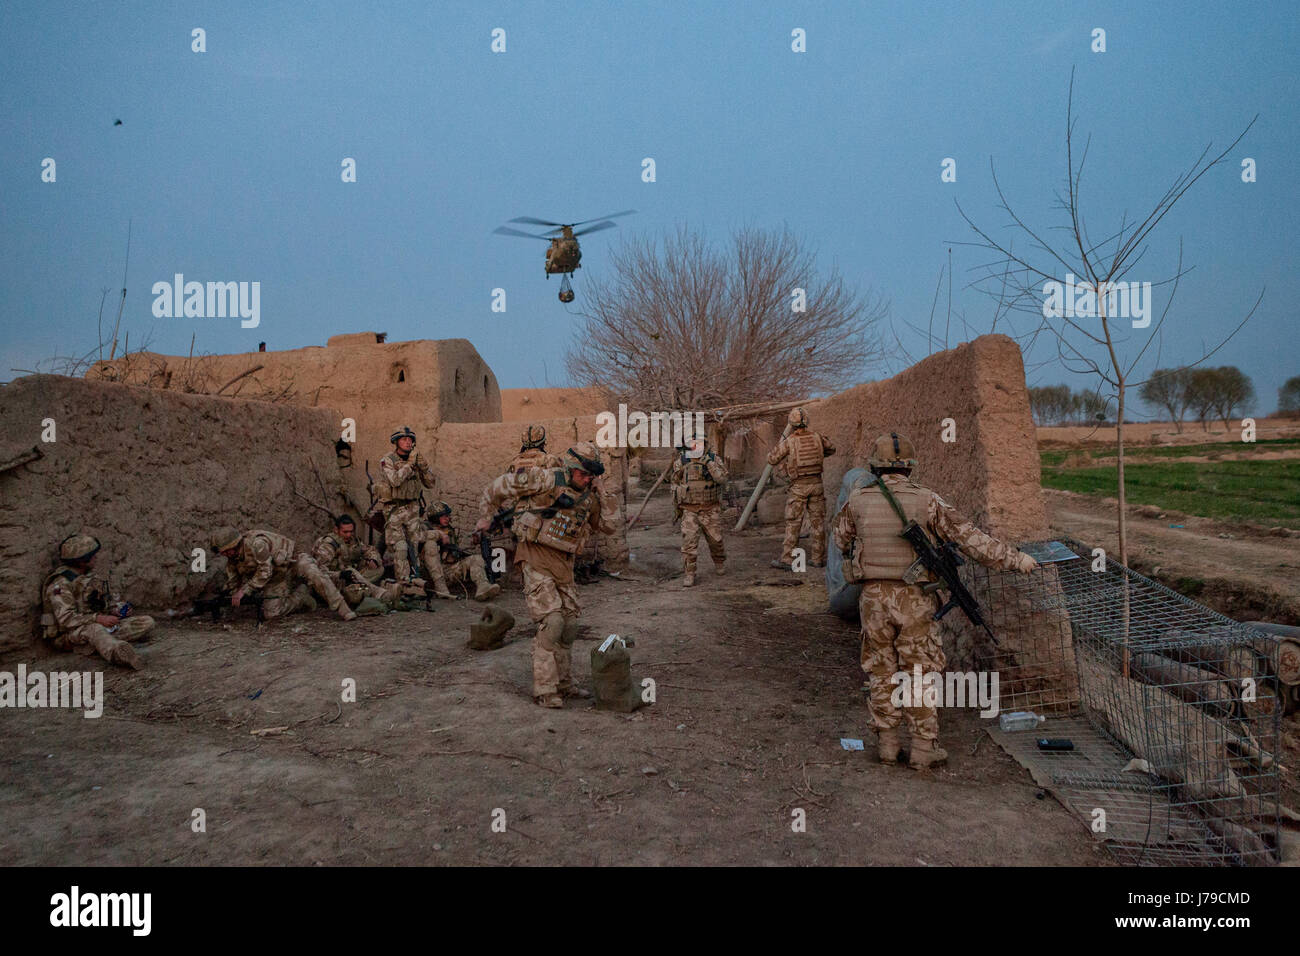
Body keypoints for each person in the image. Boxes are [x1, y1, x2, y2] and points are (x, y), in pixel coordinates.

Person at [832, 432, 1038, 769]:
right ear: (910, 467)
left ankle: (887, 744)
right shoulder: (927, 500)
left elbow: (840, 538)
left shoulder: (857, 499)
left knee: (881, 671)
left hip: (872, 599)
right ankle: (924, 751)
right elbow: (971, 540)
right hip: (914, 599)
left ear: (875, 466)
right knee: (918, 673)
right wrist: (1017, 560)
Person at [477, 441, 616, 708]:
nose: (586, 479)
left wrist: (603, 492)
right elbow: (495, 488)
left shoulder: (589, 495)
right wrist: (485, 516)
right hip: (535, 555)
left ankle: (565, 683)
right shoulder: (544, 479)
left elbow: (609, 526)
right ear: (572, 467)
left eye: (591, 476)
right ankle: (545, 688)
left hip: (564, 563)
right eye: (583, 474)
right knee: (552, 621)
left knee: (570, 624)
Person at [40, 533, 154, 669]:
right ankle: (119, 654)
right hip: (69, 635)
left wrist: (116, 610)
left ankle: (100, 644)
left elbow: (102, 603)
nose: (96, 558)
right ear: (82, 560)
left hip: (98, 628)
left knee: (146, 622)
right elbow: (66, 620)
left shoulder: (88, 577)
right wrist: (98, 618)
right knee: (95, 629)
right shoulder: (60, 584)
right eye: (92, 556)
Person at [211, 526, 357, 621]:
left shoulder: (256, 544)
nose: (223, 554)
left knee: (313, 571)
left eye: (225, 550)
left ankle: (341, 607)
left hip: (293, 561)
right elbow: (233, 581)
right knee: (271, 613)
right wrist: (227, 595)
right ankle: (302, 595)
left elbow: (265, 570)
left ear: (233, 545)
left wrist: (244, 590)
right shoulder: (232, 558)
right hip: (276, 576)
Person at [766, 406, 835, 570]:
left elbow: (772, 459)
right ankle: (818, 559)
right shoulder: (818, 437)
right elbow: (831, 448)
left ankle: (789, 559)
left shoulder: (790, 441)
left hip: (798, 487)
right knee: (818, 523)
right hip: (817, 484)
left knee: (793, 522)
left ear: (792, 423)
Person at [377, 426, 437, 583]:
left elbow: (431, 484)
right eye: (404, 439)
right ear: (396, 442)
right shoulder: (388, 460)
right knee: (400, 547)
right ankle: (403, 583)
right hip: (394, 509)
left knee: (414, 547)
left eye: (410, 439)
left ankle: (415, 580)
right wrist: (409, 465)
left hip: (412, 508)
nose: (408, 442)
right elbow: (395, 480)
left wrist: (424, 468)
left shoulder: (415, 460)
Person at [667, 435, 728, 587]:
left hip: (710, 508)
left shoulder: (714, 459)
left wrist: (709, 464)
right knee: (689, 544)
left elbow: (722, 479)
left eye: (699, 443)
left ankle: (719, 562)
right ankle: (690, 573)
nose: (696, 447)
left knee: (716, 541)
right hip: (690, 509)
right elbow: (674, 482)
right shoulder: (682, 461)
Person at [311, 515, 400, 608]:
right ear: (336, 530)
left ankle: (362, 589)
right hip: (330, 584)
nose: (348, 535)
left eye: (351, 531)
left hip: (349, 578)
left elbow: (370, 550)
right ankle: (380, 593)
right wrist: (340, 574)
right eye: (345, 532)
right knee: (353, 574)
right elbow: (319, 574)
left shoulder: (353, 540)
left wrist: (373, 559)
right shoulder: (328, 545)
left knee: (378, 568)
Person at [420, 501, 502, 601]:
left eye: (448, 516)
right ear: (435, 517)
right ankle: (440, 587)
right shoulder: (424, 526)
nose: (447, 518)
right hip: (430, 577)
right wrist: (439, 534)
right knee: (430, 545)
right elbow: (418, 537)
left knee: (476, 558)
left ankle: (483, 587)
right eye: (444, 516)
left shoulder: (449, 530)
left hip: (448, 572)